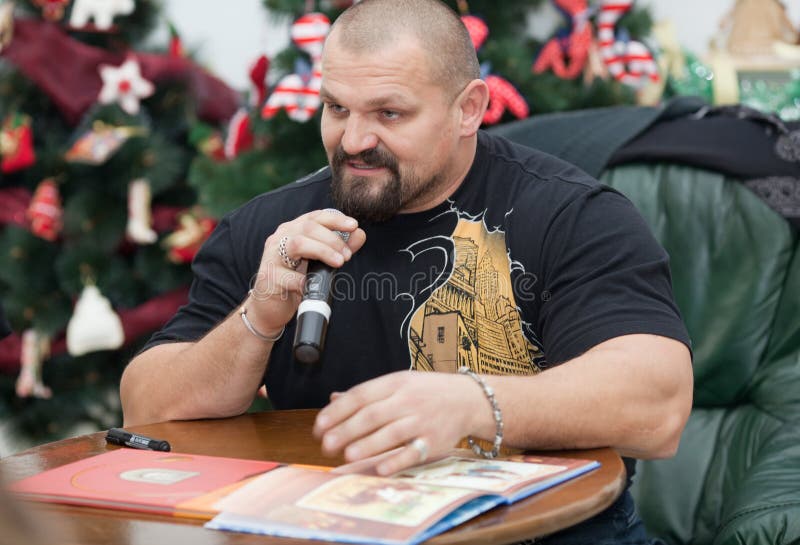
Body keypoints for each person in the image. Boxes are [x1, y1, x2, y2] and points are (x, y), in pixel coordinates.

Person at [120, 0, 693, 542]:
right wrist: (260, 316)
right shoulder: (274, 229)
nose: (354, 141)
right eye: (336, 108)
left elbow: (659, 405)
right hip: (336, 528)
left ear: (468, 109)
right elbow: (147, 411)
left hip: (548, 533)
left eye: (389, 113)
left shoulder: (572, 214)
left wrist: (473, 404)